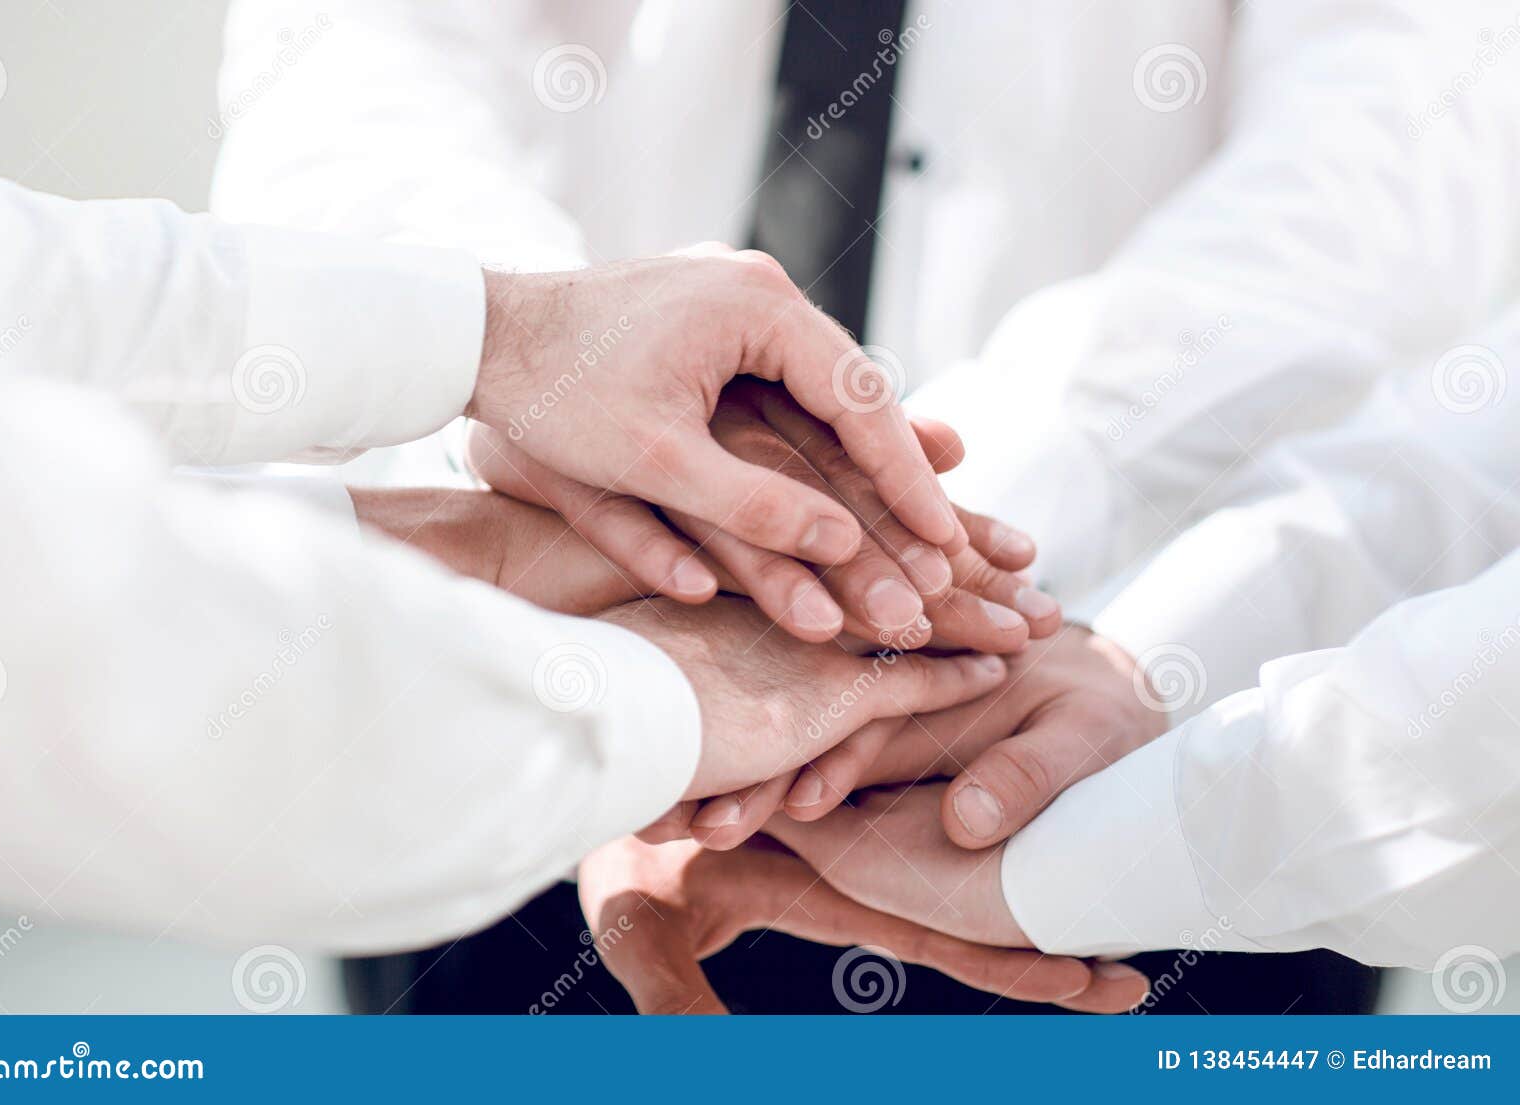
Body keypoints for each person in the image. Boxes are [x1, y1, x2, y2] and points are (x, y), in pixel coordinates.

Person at [221, 0, 1520, 1011]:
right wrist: (549, 374)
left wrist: (901, 534)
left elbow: (1394, 136)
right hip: (515, 674)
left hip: (1111, 717)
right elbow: (351, 66)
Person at [0, 108, 1019, 952]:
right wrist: (661, 693)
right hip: (503, 820)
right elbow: (45, 632)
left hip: (1004, 680)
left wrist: (506, 338)